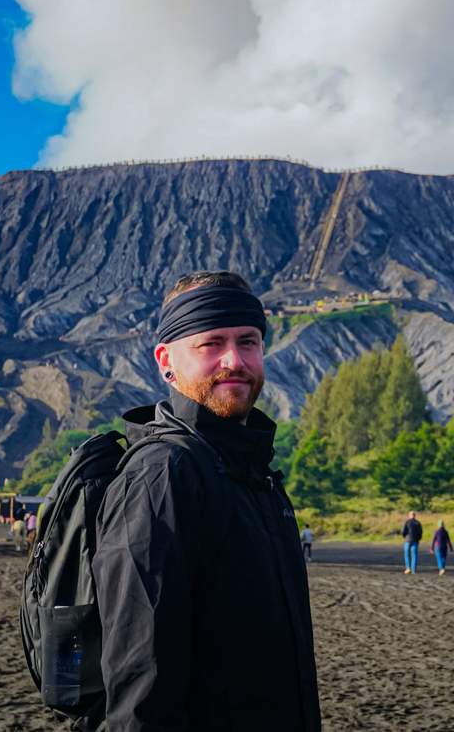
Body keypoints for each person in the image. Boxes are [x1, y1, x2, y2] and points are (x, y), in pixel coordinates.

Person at [93, 270, 320, 730]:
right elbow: (139, 681)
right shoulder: (163, 475)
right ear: (166, 362)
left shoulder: (256, 474)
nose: (234, 360)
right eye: (211, 343)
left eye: (249, 342)